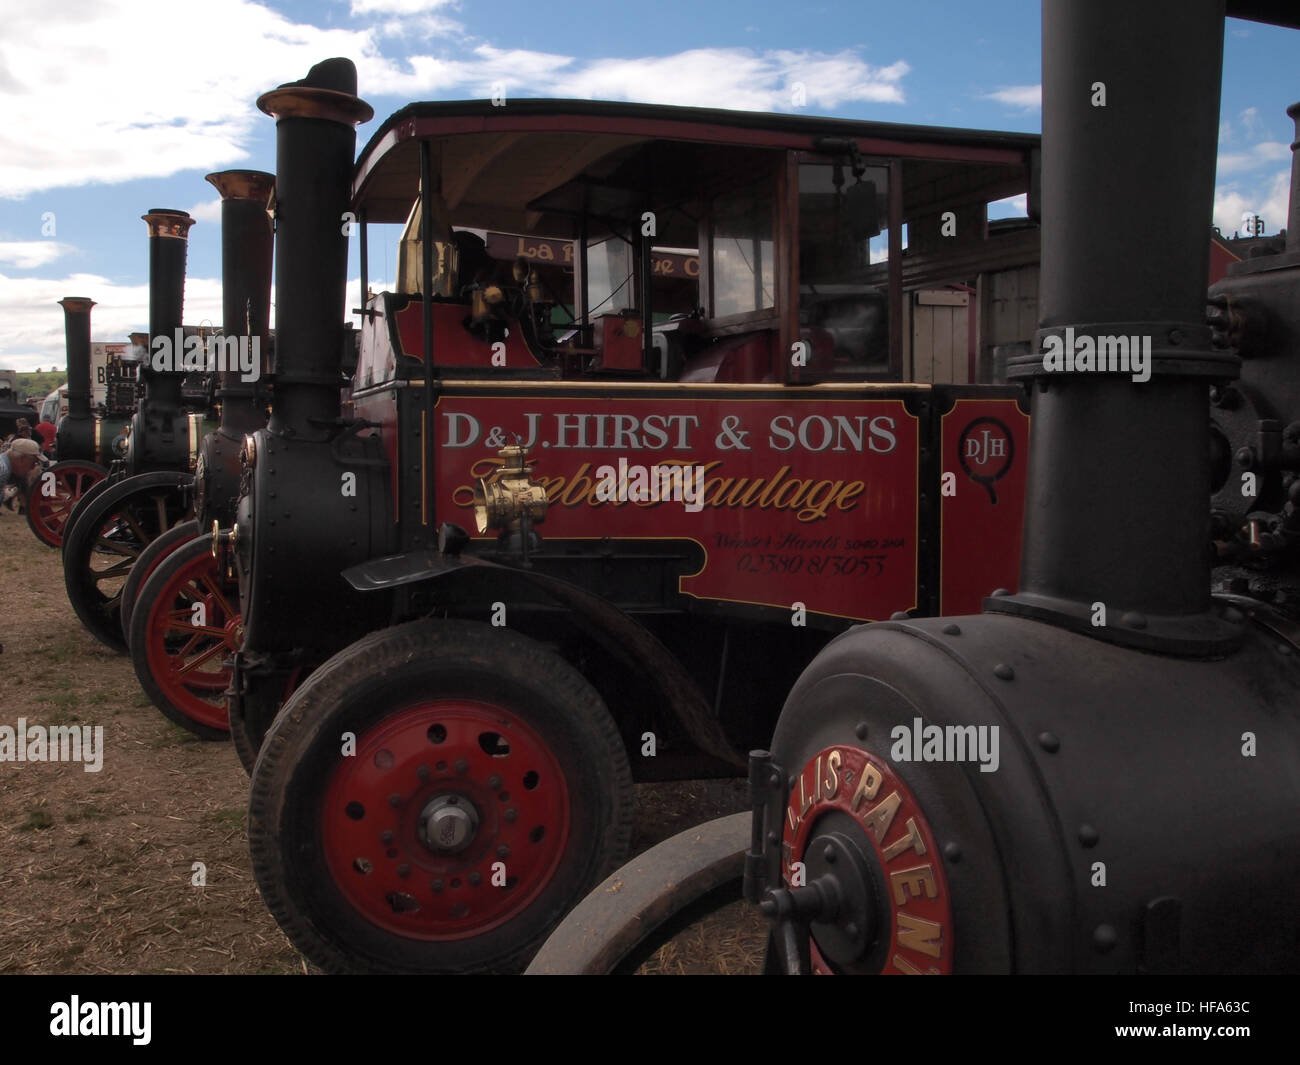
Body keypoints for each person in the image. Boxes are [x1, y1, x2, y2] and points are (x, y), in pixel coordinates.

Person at [0, 437, 41, 512]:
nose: (33, 467)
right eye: (33, 463)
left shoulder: (6, 467)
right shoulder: (2, 471)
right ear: (22, 459)